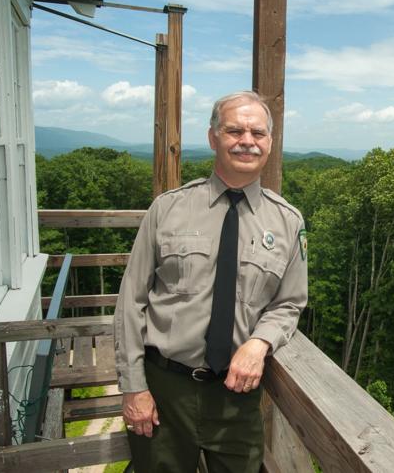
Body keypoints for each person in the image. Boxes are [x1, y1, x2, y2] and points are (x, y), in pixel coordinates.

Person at [114, 91, 308, 472]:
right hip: (163, 389)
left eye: (258, 132)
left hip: (237, 396)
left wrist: (259, 342)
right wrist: (133, 387)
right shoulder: (168, 208)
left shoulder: (288, 222)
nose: (247, 141)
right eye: (235, 130)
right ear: (213, 137)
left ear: (270, 142)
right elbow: (131, 301)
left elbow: (289, 302)